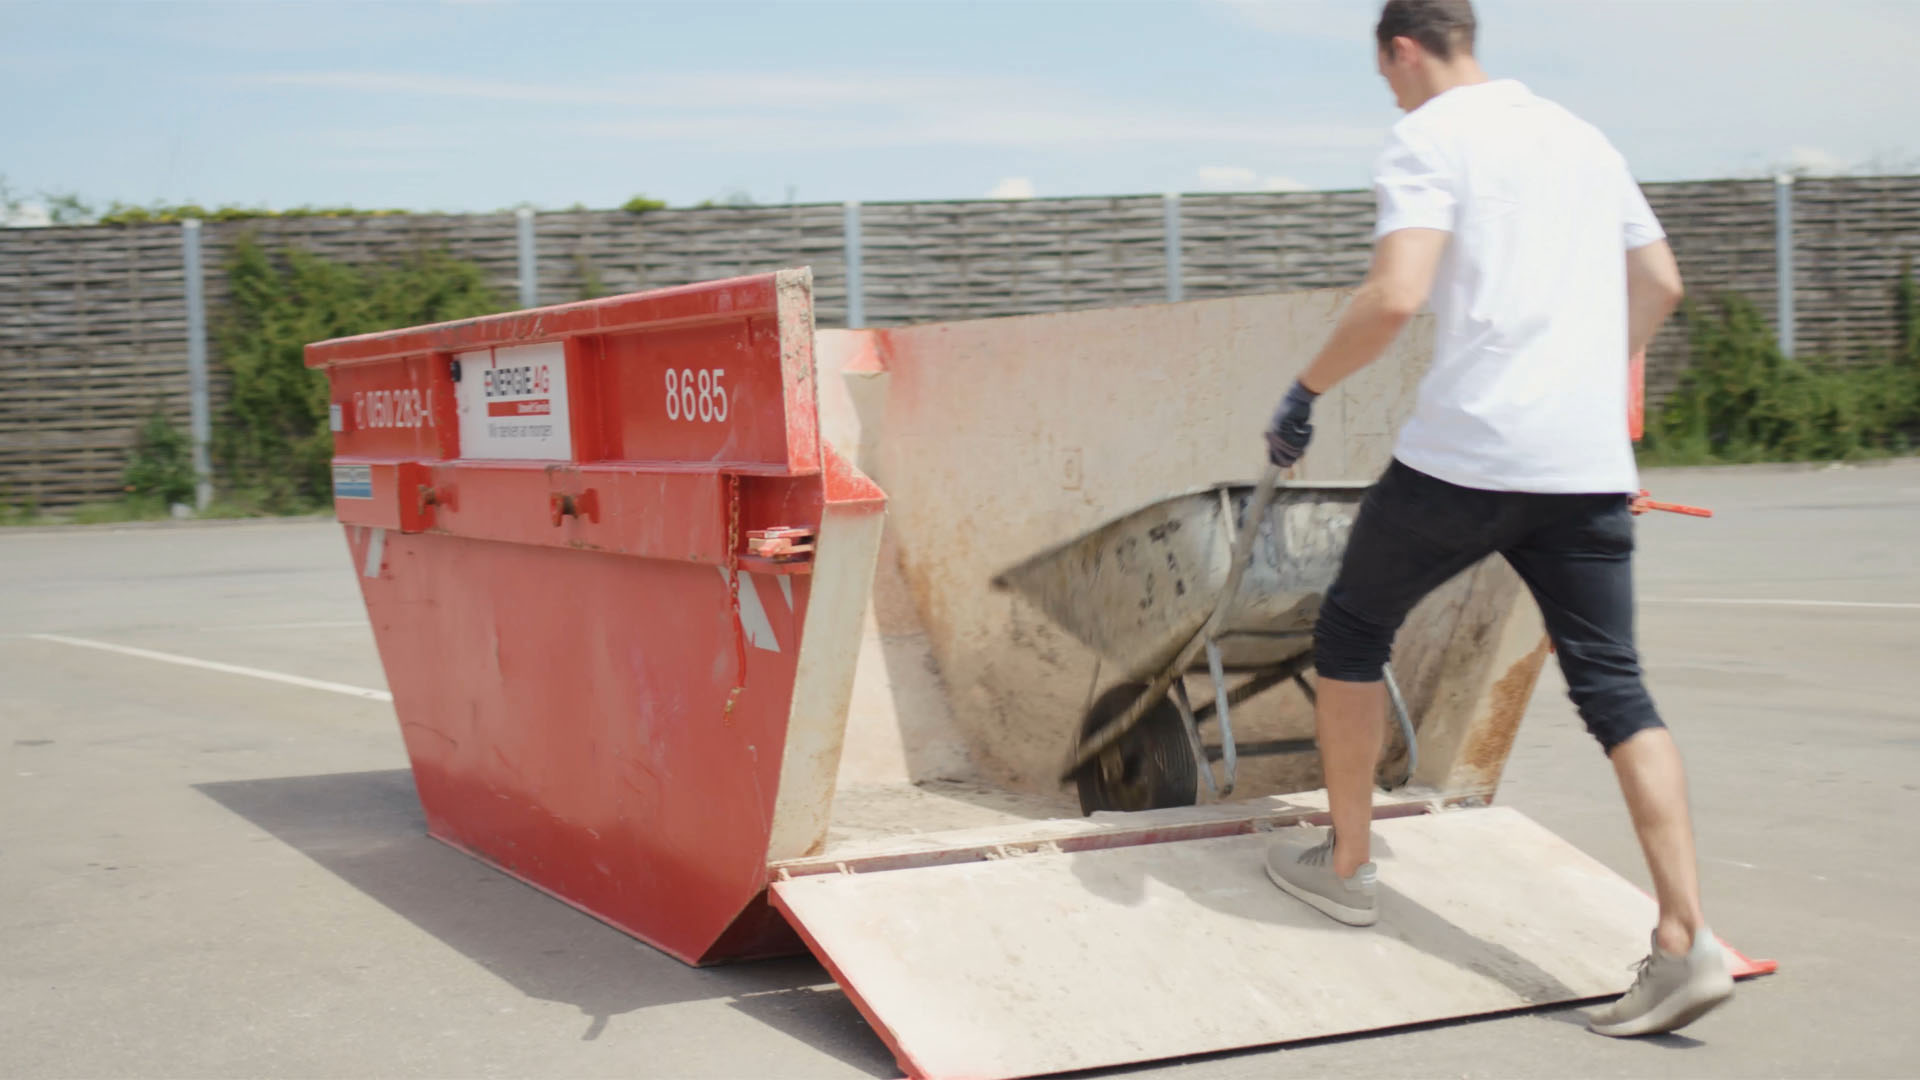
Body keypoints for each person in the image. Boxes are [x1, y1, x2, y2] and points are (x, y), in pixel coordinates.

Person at [1259, 0, 1733, 1038]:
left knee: (1348, 634)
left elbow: (1395, 295)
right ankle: (1686, 937)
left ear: (1403, 48)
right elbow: (1658, 281)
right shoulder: (1578, 135)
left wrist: (1302, 393)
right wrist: (1586, 381)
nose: (1388, 89)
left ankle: (1345, 866)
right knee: (1616, 689)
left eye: (1385, 71)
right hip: (1584, 460)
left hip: (1468, 457)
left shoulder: (1427, 137)